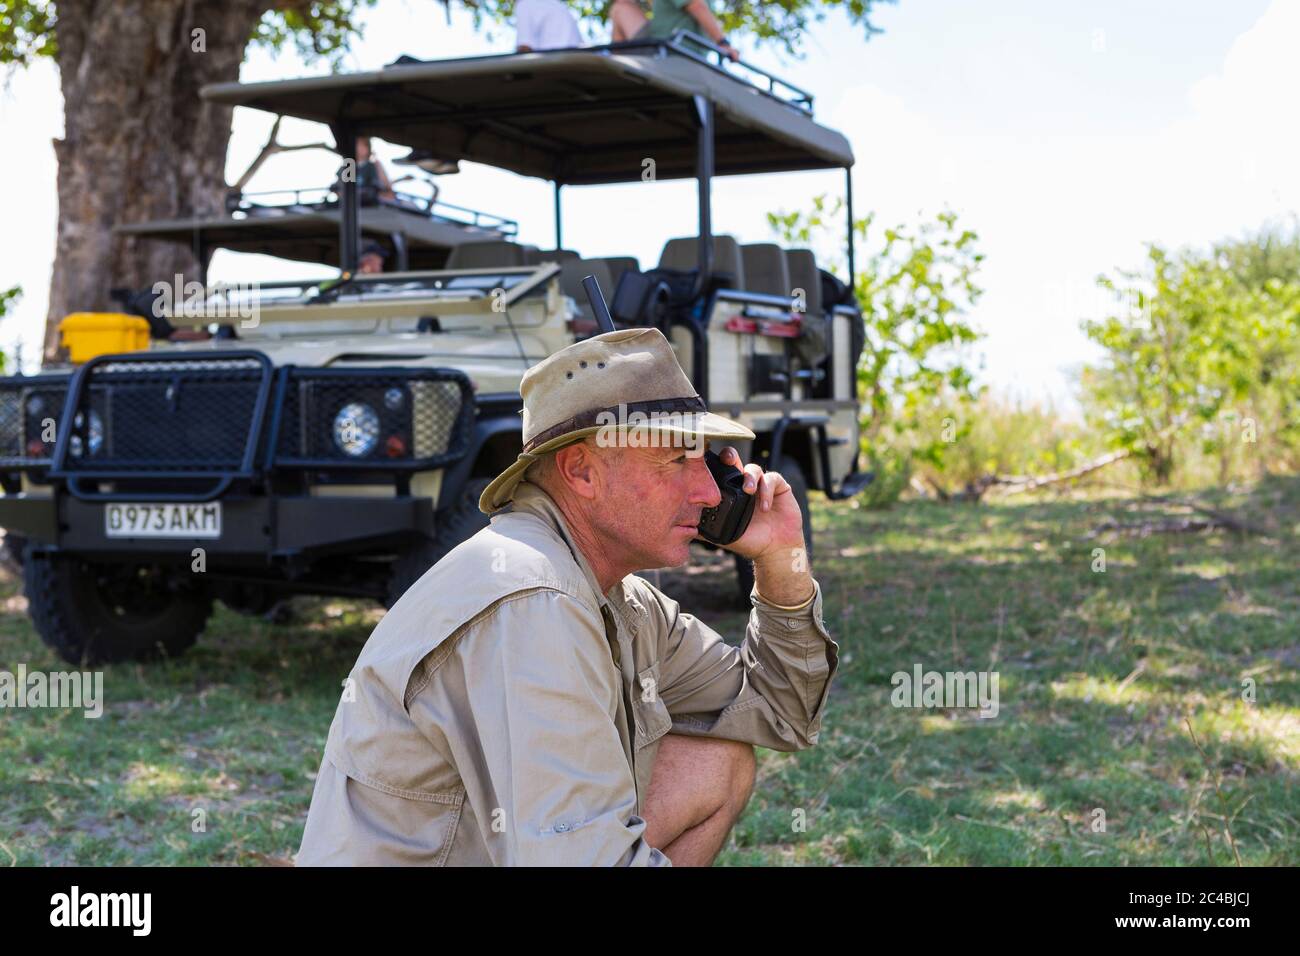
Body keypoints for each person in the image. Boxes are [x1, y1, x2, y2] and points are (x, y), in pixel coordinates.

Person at [297, 327, 839, 866]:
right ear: (581, 471)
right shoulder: (533, 600)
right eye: (676, 461)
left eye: (703, 461)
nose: (705, 491)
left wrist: (779, 557)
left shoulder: (621, 598)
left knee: (715, 763)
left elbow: (779, 711)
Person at [610, 0, 739, 61]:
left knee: (620, 7)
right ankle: (617, 62)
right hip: (676, 50)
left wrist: (723, 43)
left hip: (664, 51)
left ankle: (616, 64)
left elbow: (697, 6)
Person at [516, 0, 582, 52]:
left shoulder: (525, 4)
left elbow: (524, 47)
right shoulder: (558, 5)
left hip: (551, 64)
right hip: (578, 62)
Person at [353, 136, 394, 205]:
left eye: (364, 145)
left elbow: (387, 188)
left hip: (372, 204)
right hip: (355, 203)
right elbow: (345, 189)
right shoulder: (349, 165)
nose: (360, 148)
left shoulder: (375, 164)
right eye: (357, 145)